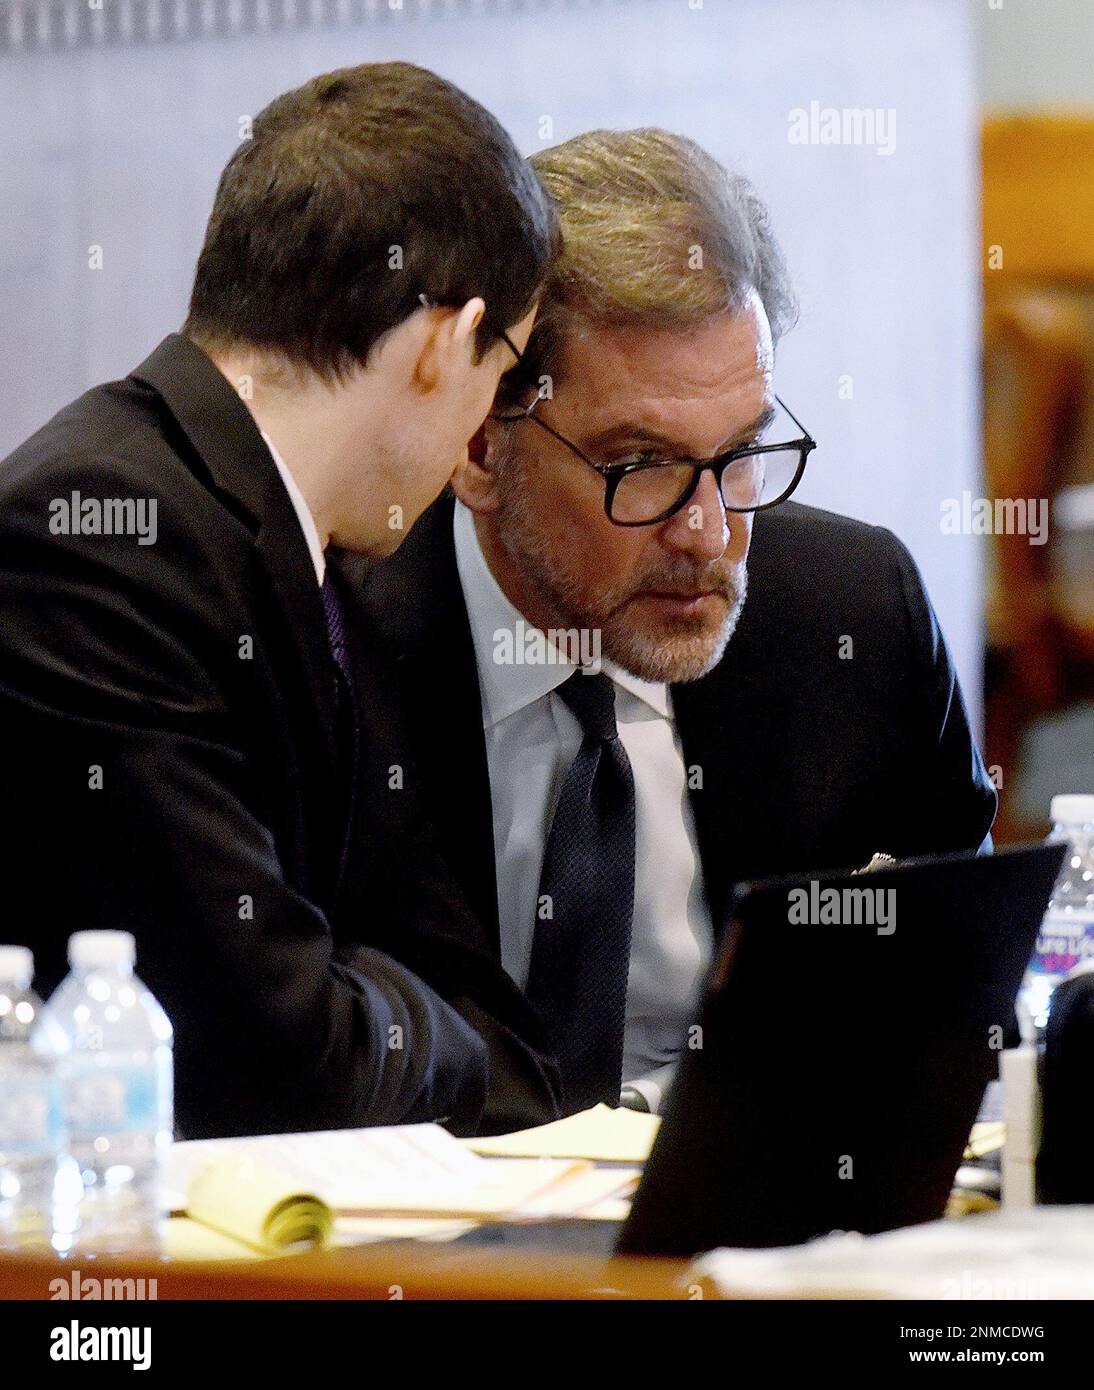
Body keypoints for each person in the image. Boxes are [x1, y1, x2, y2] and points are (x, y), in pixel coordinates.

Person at [358, 128, 997, 1124]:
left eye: (739, 454)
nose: (706, 533)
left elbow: (951, 1004)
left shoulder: (850, 617)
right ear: (479, 447)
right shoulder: (330, 642)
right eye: (639, 464)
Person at [0, 62, 556, 1138]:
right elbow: (278, 1049)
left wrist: (383, 998)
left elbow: (460, 992)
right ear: (449, 341)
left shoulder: (303, 541)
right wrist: (402, 1013)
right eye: (507, 372)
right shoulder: (100, 534)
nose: (482, 434)